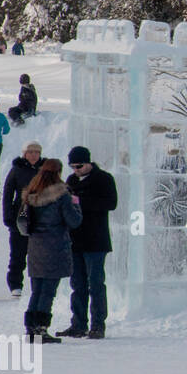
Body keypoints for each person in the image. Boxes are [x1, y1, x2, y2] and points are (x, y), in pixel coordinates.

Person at [21, 159, 82, 343]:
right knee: (48, 291)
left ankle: (31, 330)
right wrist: (76, 204)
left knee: (36, 290)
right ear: (58, 173)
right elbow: (74, 221)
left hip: (35, 246)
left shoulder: (31, 193)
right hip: (54, 246)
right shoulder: (61, 195)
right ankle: (40, 330)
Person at [61, 147, 118, 339]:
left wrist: (80, 201)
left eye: (79, 166)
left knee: (96, 283)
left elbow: (111, 203)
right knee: (77, 284)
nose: (76, 170)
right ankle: (78, 324)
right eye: (72, 166)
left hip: (96, 240)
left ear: (88, 163)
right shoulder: (71, 181)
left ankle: (97, 325)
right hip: (75, 240)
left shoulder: (104, 178)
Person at [1, 141, 42, 299]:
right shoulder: (17, 169)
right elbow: (8, 193)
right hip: (20, 217)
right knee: (18, 253)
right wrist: (8, 217)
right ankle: (15, 284)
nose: (33, 155)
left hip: (39, 217)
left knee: (38, 254)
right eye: (30, 152)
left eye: (36, 152)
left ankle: (36, 284)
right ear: (24, 154)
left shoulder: (44, 170)